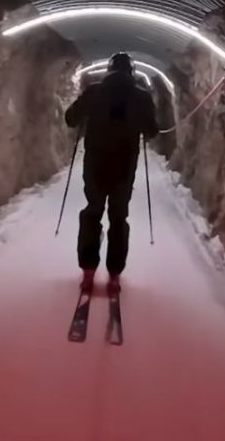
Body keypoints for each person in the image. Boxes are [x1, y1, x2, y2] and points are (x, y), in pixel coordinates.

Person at [64, 52, 160, 293]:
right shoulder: (141, 96)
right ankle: (114, 275)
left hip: (95, 165)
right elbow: (152, 131)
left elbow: (70, 119)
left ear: (108, 70)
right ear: (132, 72)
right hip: (124, 167)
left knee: (92, 213)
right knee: (119, 218)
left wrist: (87, 110)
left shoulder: (94, 91)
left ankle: (88, 271)